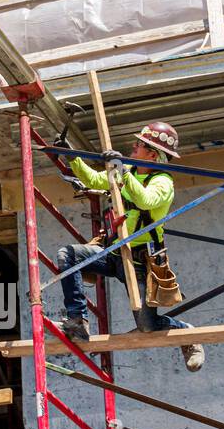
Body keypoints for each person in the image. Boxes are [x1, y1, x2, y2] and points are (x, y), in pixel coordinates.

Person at [55, 121, 206, 373]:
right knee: (68, 255)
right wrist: (72, 156)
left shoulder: (163, 183)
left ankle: (187, 334)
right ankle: (77, 320)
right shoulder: (129, 171)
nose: (134, 146)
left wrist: (122, 171)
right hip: (113, 253)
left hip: (138, 262)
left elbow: (145, 201)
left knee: (148, 326)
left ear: (153, 154)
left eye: (141, 144)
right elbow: (93, 178)